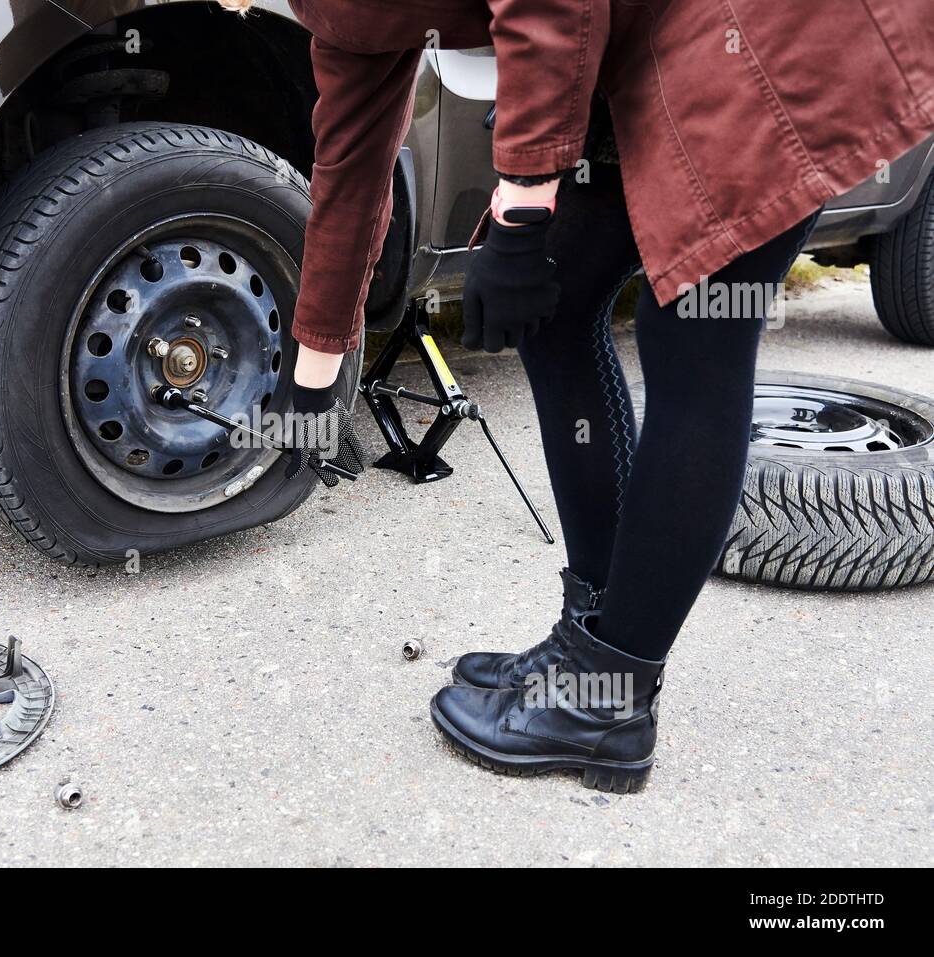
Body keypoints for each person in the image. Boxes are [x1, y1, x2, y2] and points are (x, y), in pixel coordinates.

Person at [219, 0, 934, 791]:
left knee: (691, 332)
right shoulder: (330, 12)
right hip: (637, 36)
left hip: (766, 28)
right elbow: (347, 170)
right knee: (557, 307)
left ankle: (609, 703)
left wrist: (521, 215)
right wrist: (310, 382)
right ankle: (589, 632)